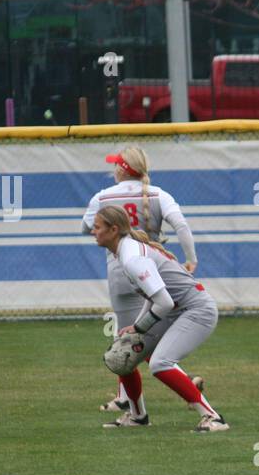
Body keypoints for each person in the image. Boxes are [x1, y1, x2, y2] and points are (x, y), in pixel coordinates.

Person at [90, 205, 228, 432]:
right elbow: (153, 297)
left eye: (97, 227)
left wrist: (141, 326)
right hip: (177, 309)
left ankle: (214, 418)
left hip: (195, 310)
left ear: (113, 230)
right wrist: (136, 327)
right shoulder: (125, 252)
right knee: (124, 356)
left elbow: (165, 302)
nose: (93, 231)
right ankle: (137, 417)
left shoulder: (132, 257)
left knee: (160, 363)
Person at [82, 146, 197, 412]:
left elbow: (85, 227)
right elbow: (181, 225)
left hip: (122, 275)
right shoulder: (159, 194)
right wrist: (191, 259)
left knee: (128, 343)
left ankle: (138, 405)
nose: (113, 169)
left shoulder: (104, 196)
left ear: (122, 169)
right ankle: (128, 395)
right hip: (156, 272)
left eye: (115, 165)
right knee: (144, 337)